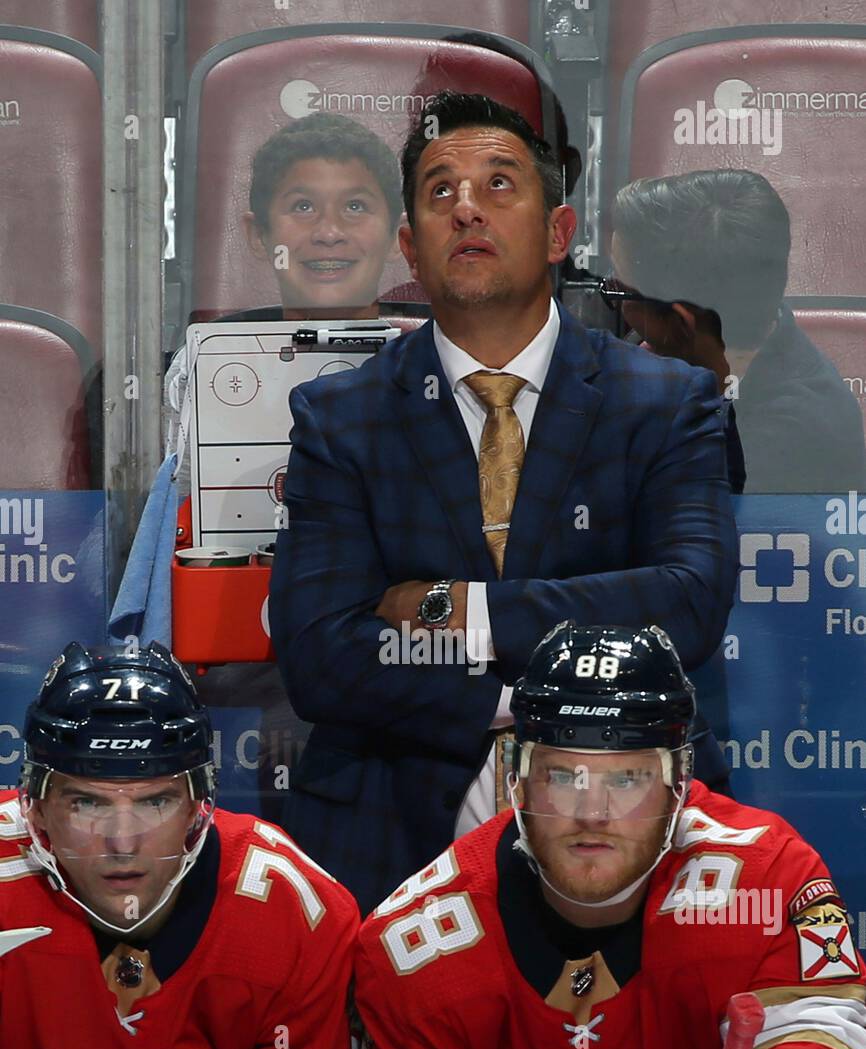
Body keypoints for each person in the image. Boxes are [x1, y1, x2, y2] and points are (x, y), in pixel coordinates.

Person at [269, 91, 738, 915]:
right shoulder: (341, 418)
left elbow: (688, 601)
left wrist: (463, 612)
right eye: (440, 191)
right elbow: (322, 657)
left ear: (559, 233)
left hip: (628, 812)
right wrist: (523, 699)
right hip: (393, 821)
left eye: (498, 184)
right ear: (411, 247)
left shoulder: (667, 401)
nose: (467, 209)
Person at [352, 622, 866, 1049]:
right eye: (563, 775)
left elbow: (817, 1035)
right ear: (516, 777)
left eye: (626, 778)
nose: (592, 812)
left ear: (680, 782)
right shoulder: (416, 946)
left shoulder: (767, 876)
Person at [0, 641, 357, 1049]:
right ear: (36, 806)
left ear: (200, 802)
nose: (120, 841)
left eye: (154, 800)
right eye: (86, 801)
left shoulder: (293, 911)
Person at [165, 112, 406, 493]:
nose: (329, 232)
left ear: (397, 236)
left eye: (356, 206)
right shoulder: (200, 364)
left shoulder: (437, 362)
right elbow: (180, 519)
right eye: (303, 206)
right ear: (258, 234)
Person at [609, 169, 865, 492]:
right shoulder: (665, 349)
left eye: (619, 289)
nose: (613, 297)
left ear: (681, 324)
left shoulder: (793, 438)